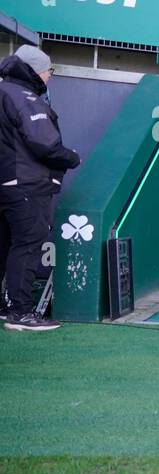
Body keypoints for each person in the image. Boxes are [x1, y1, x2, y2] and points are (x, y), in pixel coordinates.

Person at [0, 46, 80, 331]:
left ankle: (8, 308)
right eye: (49, 71)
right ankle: (20, 313)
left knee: (6, 244)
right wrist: (71, 156)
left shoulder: (4, 91)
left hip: (7, 182)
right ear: (35, 71)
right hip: (25, 184)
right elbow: (45, 144)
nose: (50, 76)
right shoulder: (24, 98)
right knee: (28, 244)